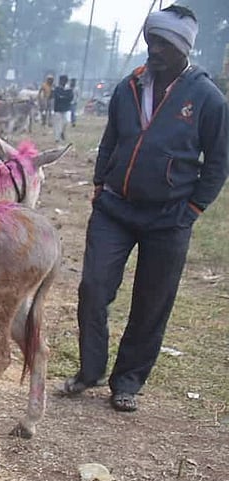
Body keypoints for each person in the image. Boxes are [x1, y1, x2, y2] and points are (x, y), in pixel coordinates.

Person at [65, 5, 229, 413]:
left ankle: (128, 381)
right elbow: (110, 140)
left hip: (170, 217)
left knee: (152, 301)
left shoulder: (207, 98)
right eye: (151, 40)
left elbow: (219, 160)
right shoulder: (129, 86)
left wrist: (193, 208)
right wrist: (101, 185)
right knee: (93, 289)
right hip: (114, 209)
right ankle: (90, 370)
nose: (154, 49)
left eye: (164, 44)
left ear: (183, 49)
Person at [51, 74, 74, 141]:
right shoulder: (57, 89)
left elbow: (70, 98)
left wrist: (62, 97)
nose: (63, 82)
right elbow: (57, 97)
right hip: (58, 109)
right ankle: (57, 138)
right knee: (57, 124)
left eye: (64, 80)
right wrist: (64, 98)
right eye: (62, 80)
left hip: (66, 109)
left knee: (66, 122)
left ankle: (62, 132)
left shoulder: (69, 89)